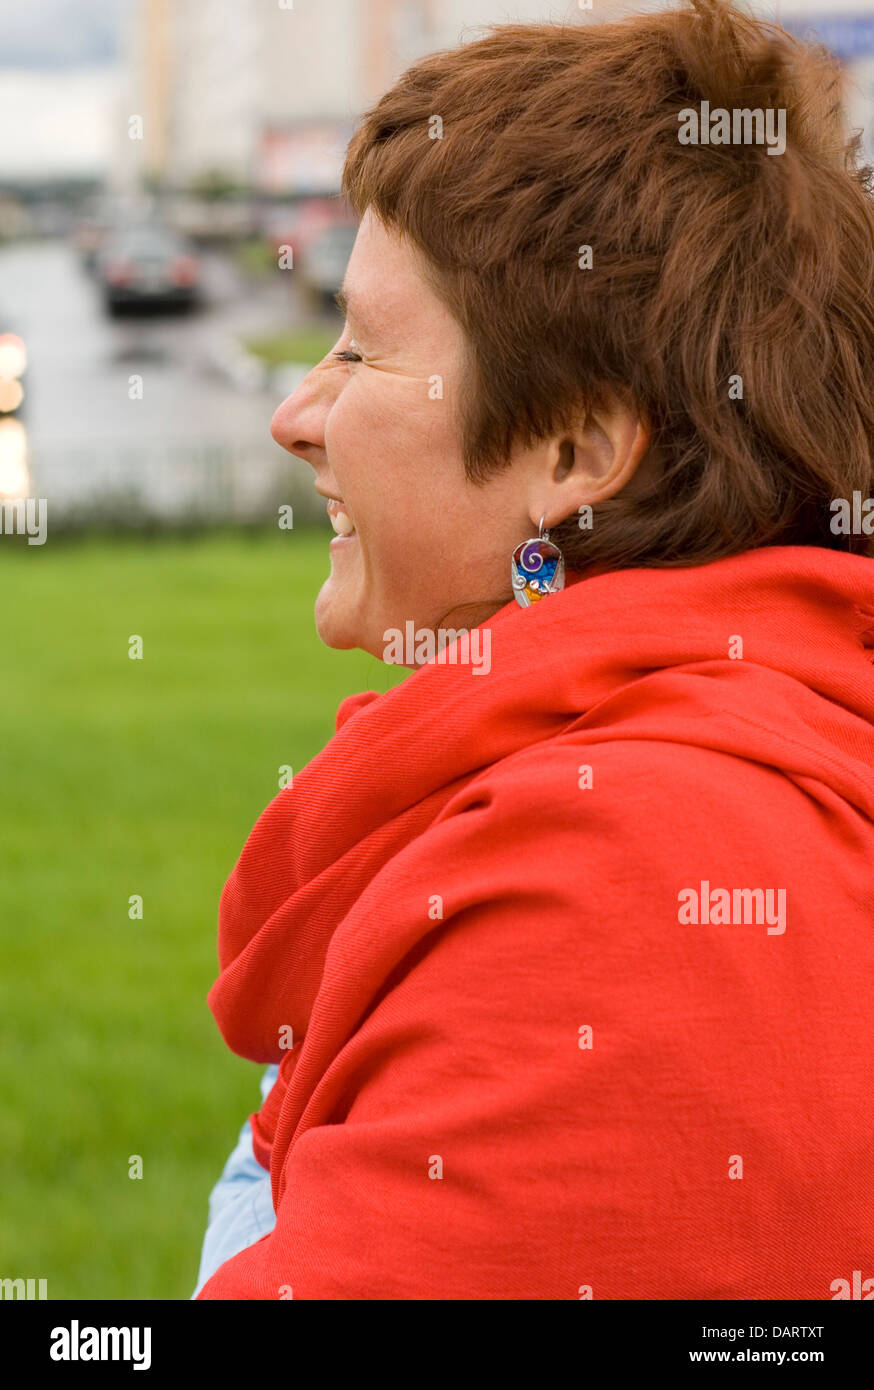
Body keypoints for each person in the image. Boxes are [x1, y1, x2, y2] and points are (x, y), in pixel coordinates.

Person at [195, 0, 874, 1299]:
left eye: (362, 350)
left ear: (573, 452)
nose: (297, 411)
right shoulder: (761, 721)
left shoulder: (611, 870)